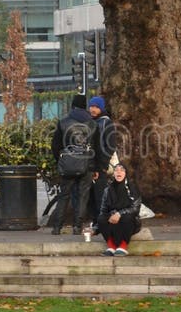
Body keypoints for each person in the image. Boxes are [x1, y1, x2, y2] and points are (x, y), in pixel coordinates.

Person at [49, 94, 102, 236]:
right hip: (87, 164)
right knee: (83, 196)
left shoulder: (63, 122)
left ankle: (57, 227)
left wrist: (60, 160)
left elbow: (55, 145)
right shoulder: (92, 123)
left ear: (72, 105)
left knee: (64, 195)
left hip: (68, 164)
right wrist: (96, 167)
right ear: (85, 106)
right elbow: (97, 147)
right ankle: (77, 227)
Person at [96, 163, 141, 256]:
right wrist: (94, 229)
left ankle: (123, 246)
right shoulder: (108, 189)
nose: (118, 172)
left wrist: (119, 214)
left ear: (126, 173)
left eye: (122, 170)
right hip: (113, 218)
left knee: (127, 218)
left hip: (129, 219)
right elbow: (103, 210)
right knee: (101, 218)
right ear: (113, 173)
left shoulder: (132, 188)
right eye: (116, 170)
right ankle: (111, 246)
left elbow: (135, 208)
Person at [88, 95, 117, 230]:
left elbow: (110, 146)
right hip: (93, 166)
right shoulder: (93, 122)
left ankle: (101, 223)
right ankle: (96, 221)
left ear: (101, 108)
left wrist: (102, 166)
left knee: (100, 197)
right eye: (91, 106)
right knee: (93, 197)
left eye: (96, 107)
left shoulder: (106, 123)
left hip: (101, 167)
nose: (92, 109)